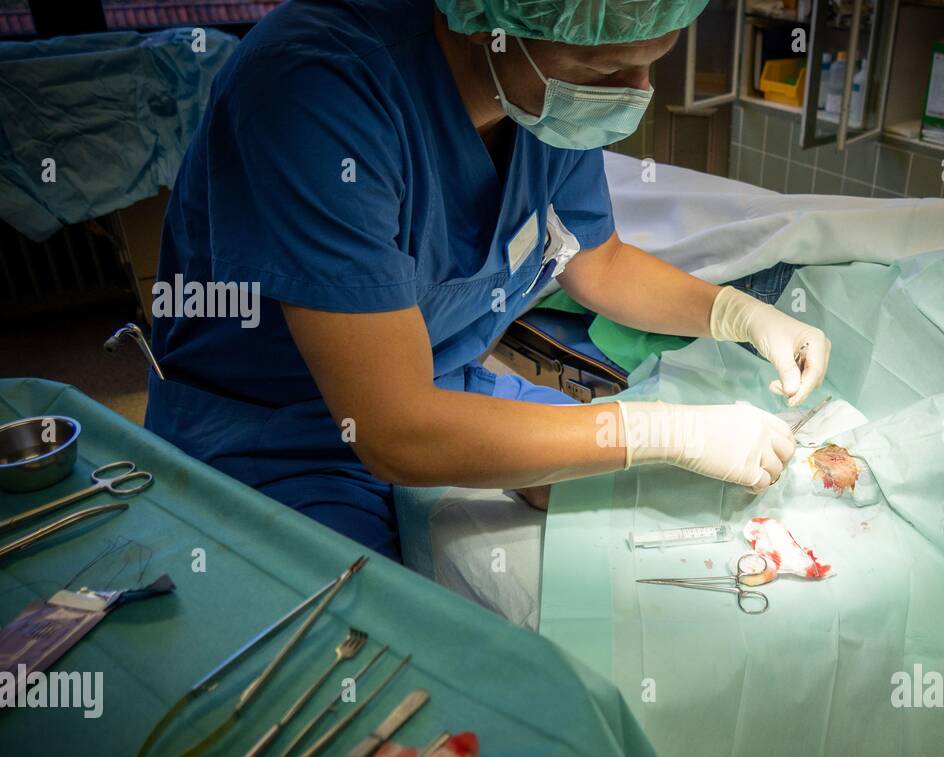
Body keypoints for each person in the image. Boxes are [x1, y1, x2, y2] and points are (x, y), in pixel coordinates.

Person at [145, 0, 830, 560]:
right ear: (492, 24)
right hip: (276, 438)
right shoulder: (319, 90)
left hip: (445, 390)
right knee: (362, 666)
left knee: (645, 526)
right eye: (608, 68)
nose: (635, 95)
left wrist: (739, 315)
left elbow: (599, 261)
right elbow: (396, 429)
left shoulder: (540, 105)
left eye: (652, 64)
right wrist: (655, 430)